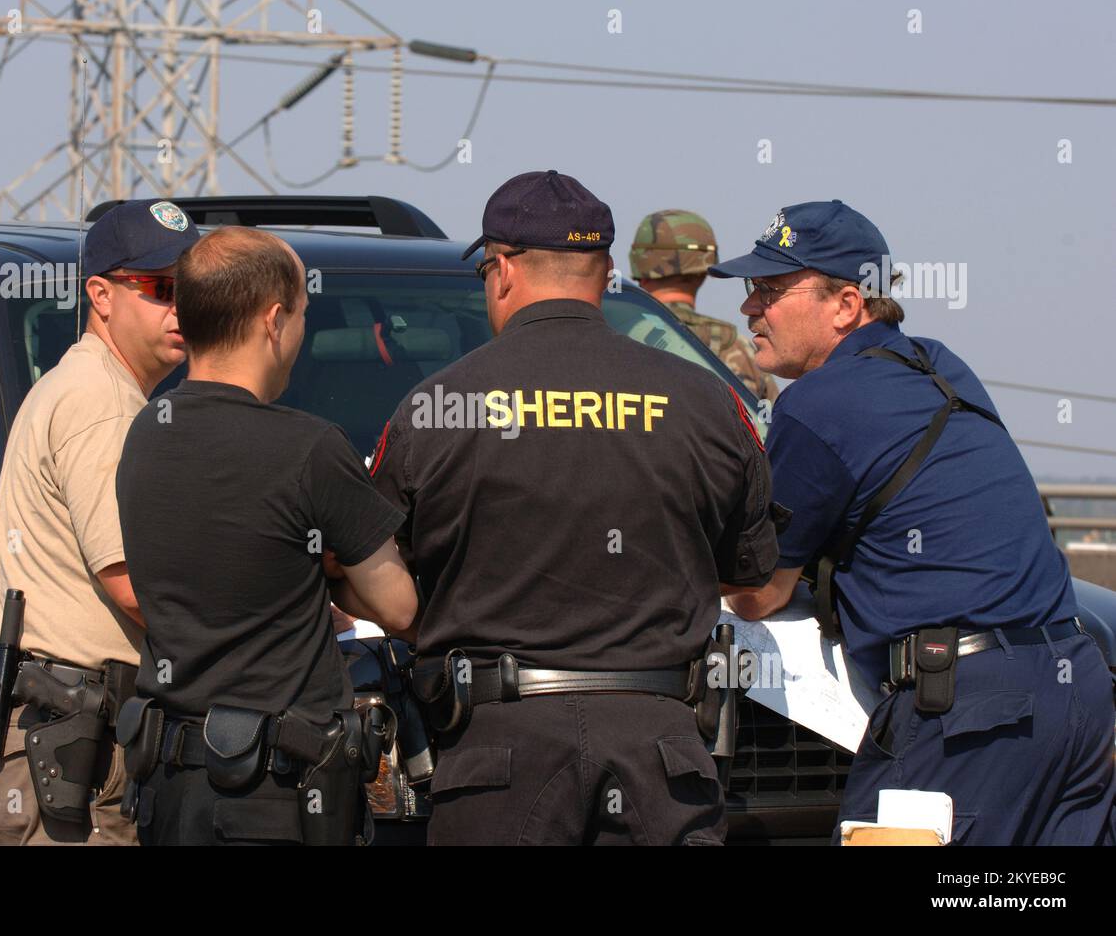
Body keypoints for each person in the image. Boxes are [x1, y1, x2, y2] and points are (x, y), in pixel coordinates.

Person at [369, 170, 780, 845]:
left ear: (500, 271)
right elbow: (748, 568)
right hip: (662, 756)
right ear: (606, 273)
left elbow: (372, 568)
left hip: (501, 759)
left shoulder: (436, 406)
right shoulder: (707, 403)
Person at [716, 199, 1115, 845]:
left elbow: (756, 592)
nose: (749, 308)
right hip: (1078, 686)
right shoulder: (939, 365)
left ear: (847, 304)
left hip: (968, 716)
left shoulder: (816, 406)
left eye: (770, 289)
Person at [114, 226, 417, 846]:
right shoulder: (309, 447)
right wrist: (335, 571)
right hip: (273, 793)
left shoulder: (145, 431)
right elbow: (399, 607)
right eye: (304, 314)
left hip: (170, 786)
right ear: (274, 320)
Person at [0, 199, 198, 845]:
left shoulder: (94, 389)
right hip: (63, 744)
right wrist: (258, 632)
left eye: (191, 290)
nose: (182, 309)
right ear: (101, 294)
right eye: (159, 288)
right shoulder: (100, 402)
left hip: (39, 729)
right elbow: (130, 582)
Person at [630, 209, 778, 405]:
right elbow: (771, 425)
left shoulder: (620, 333)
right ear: (704, 269)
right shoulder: (741, 348)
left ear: (641, 264)